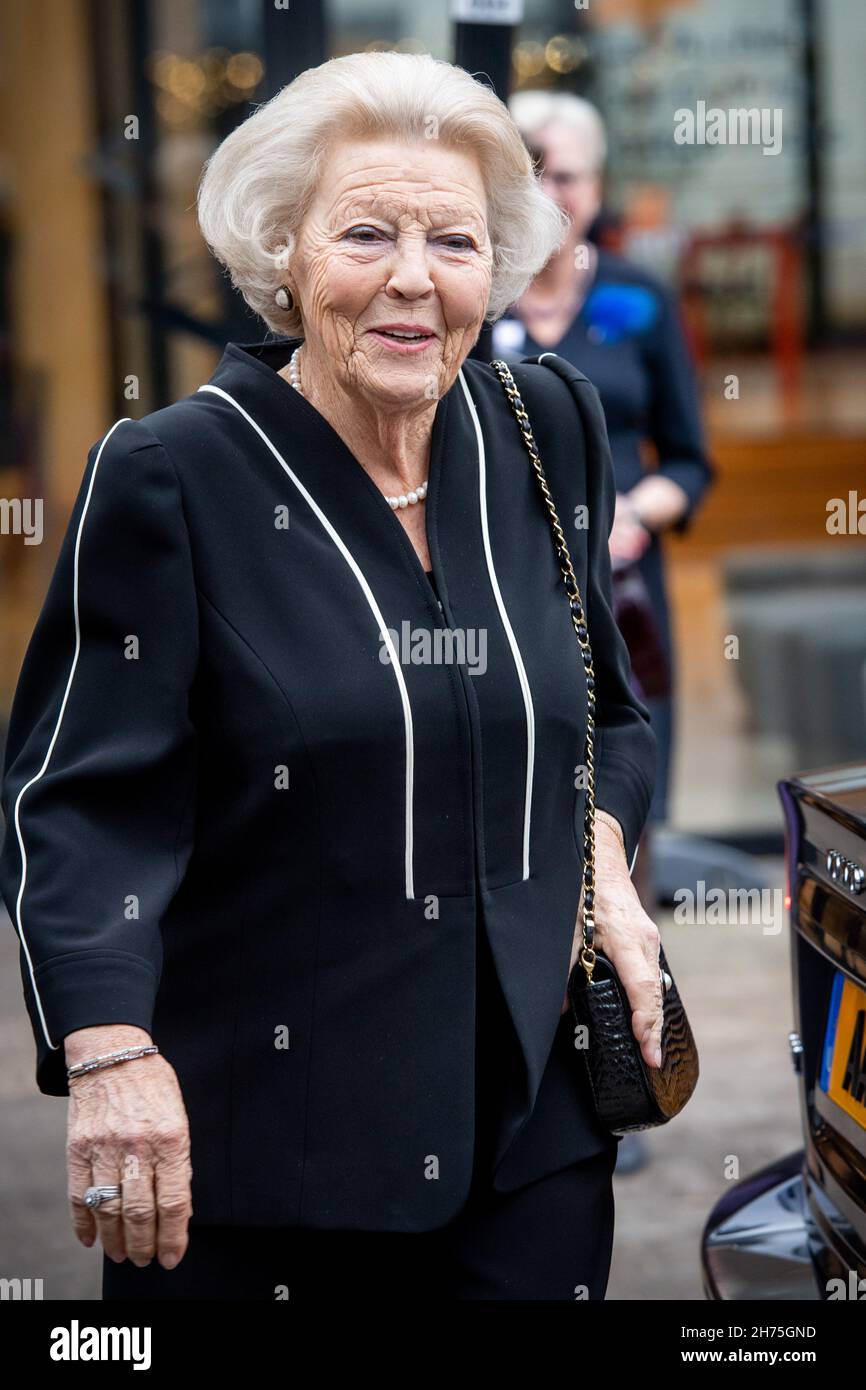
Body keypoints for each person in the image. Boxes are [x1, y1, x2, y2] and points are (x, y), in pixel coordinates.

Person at [0, 52, 660, 1301]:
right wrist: (108, 1053)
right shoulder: (172, 475)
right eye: (366, 232)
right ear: (285, 256)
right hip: (273, 1170)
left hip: (533, 1153)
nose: (412, 277)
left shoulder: (546, 424)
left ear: (495, 268)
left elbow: (608, 721)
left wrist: (604, 863)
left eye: (452, 241)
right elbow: (76, 801)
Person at [499, 92, 713, 1177]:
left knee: (616, 844)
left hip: (620, 620)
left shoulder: (632, 300)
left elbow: (689, 459)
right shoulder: (463, 295)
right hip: (494, 627)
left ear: (595, 185)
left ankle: (619, 1072)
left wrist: (633, 514)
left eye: (564, 171)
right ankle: (521, 1074)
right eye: (524, 168)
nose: (546, 191)